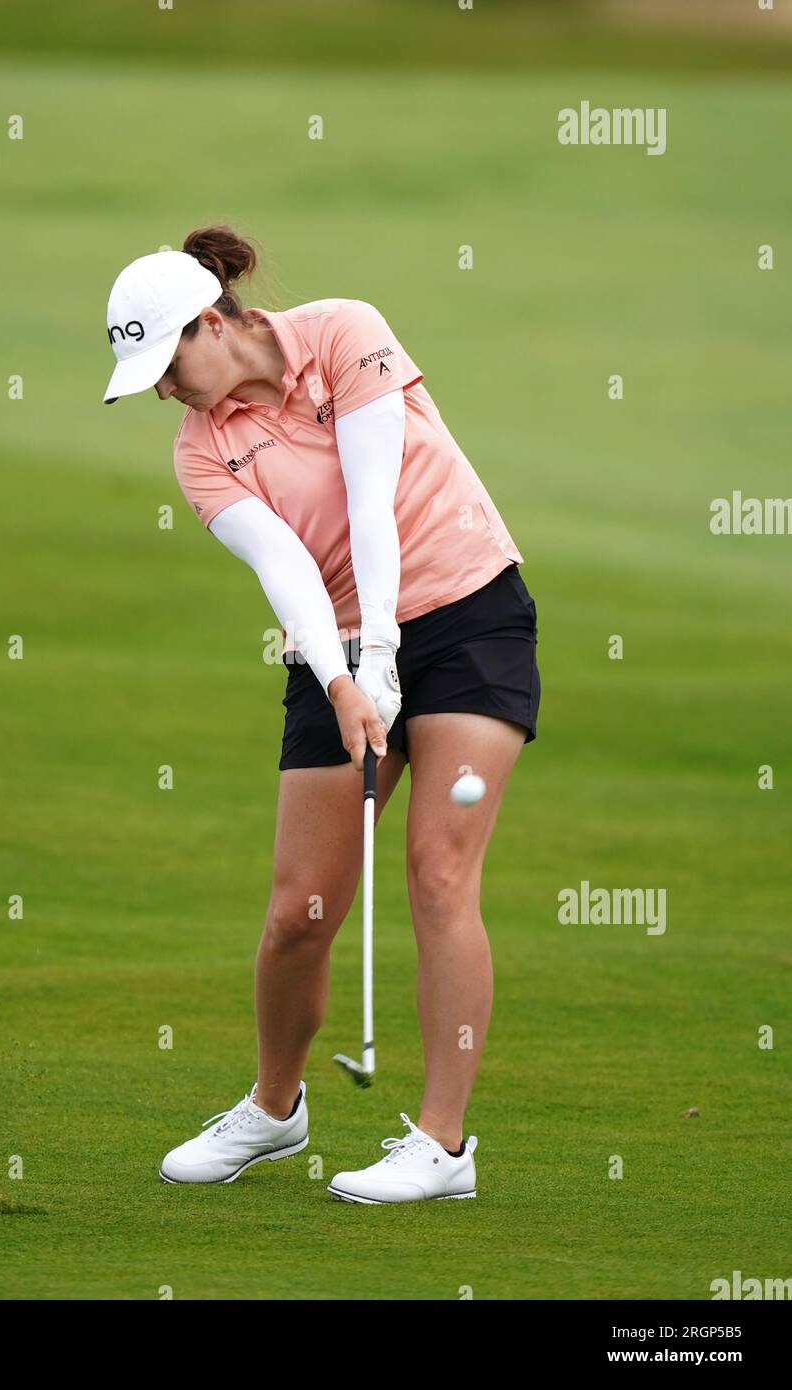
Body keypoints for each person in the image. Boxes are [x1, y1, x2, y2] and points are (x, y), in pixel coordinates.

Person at [102, 225, 541, 1204]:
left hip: (471, 615)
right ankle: (274, 1108)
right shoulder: (200, 452)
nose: (164, 390)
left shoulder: (346, 330)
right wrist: (346, 679)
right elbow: (286, 567)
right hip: (332, 643)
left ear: (212, 322)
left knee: (437, 872)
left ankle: (443, 1144)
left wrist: (382, 650)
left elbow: (372, 496)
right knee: (299, 911)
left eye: (167, 363)